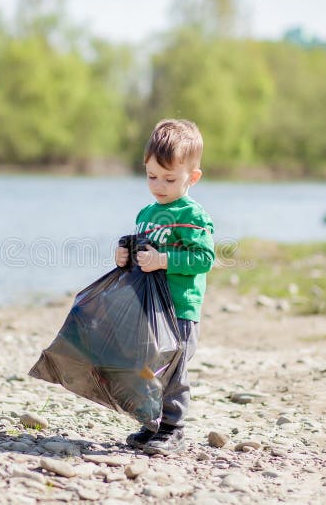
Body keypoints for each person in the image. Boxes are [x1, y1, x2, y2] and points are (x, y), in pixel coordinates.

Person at [115, 118, 215, 455]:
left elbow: (203, 258)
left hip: (179, 309)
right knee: (148, 368)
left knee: (172, 371)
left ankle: (174, 428)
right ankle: (152, 425)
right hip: (149, 308)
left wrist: (165, 260)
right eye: (152, 176)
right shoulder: (147, 211)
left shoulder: (192, 215)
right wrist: (125, 255)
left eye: (170, 179)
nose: (159, 185)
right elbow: (146, 252)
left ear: (193, 177)